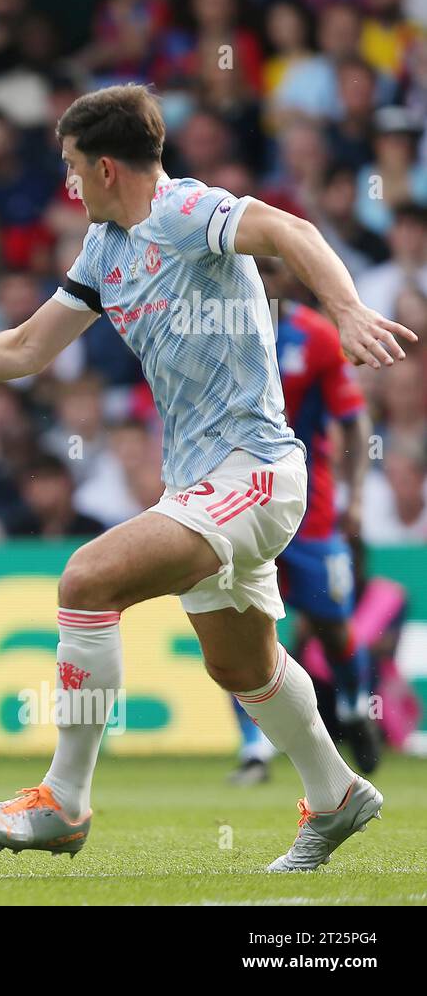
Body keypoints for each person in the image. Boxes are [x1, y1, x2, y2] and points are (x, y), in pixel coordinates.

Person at [0, 84, 415, 872]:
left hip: (256, 471)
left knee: (87, 580)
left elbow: (289, 228)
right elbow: (32, 347)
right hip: (199, 481)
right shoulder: (104, 250)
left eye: (72, 168)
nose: (67, 186)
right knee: (241, 665)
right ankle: (337, 793)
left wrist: (342, 309)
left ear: (106, 167)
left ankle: (64, 802)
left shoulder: (188, 211)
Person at [228, 265, 380, 786]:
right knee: (235, 627)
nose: (260, 279)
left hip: (309, 511)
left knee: (334, 627)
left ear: (286, 278)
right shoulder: (214, 332)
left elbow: (353, 420)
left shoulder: (315, 336)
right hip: (237, 502)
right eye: (251, 268)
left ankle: (357, 706)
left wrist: (356, 497)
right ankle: (255, 752)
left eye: (269, 270)